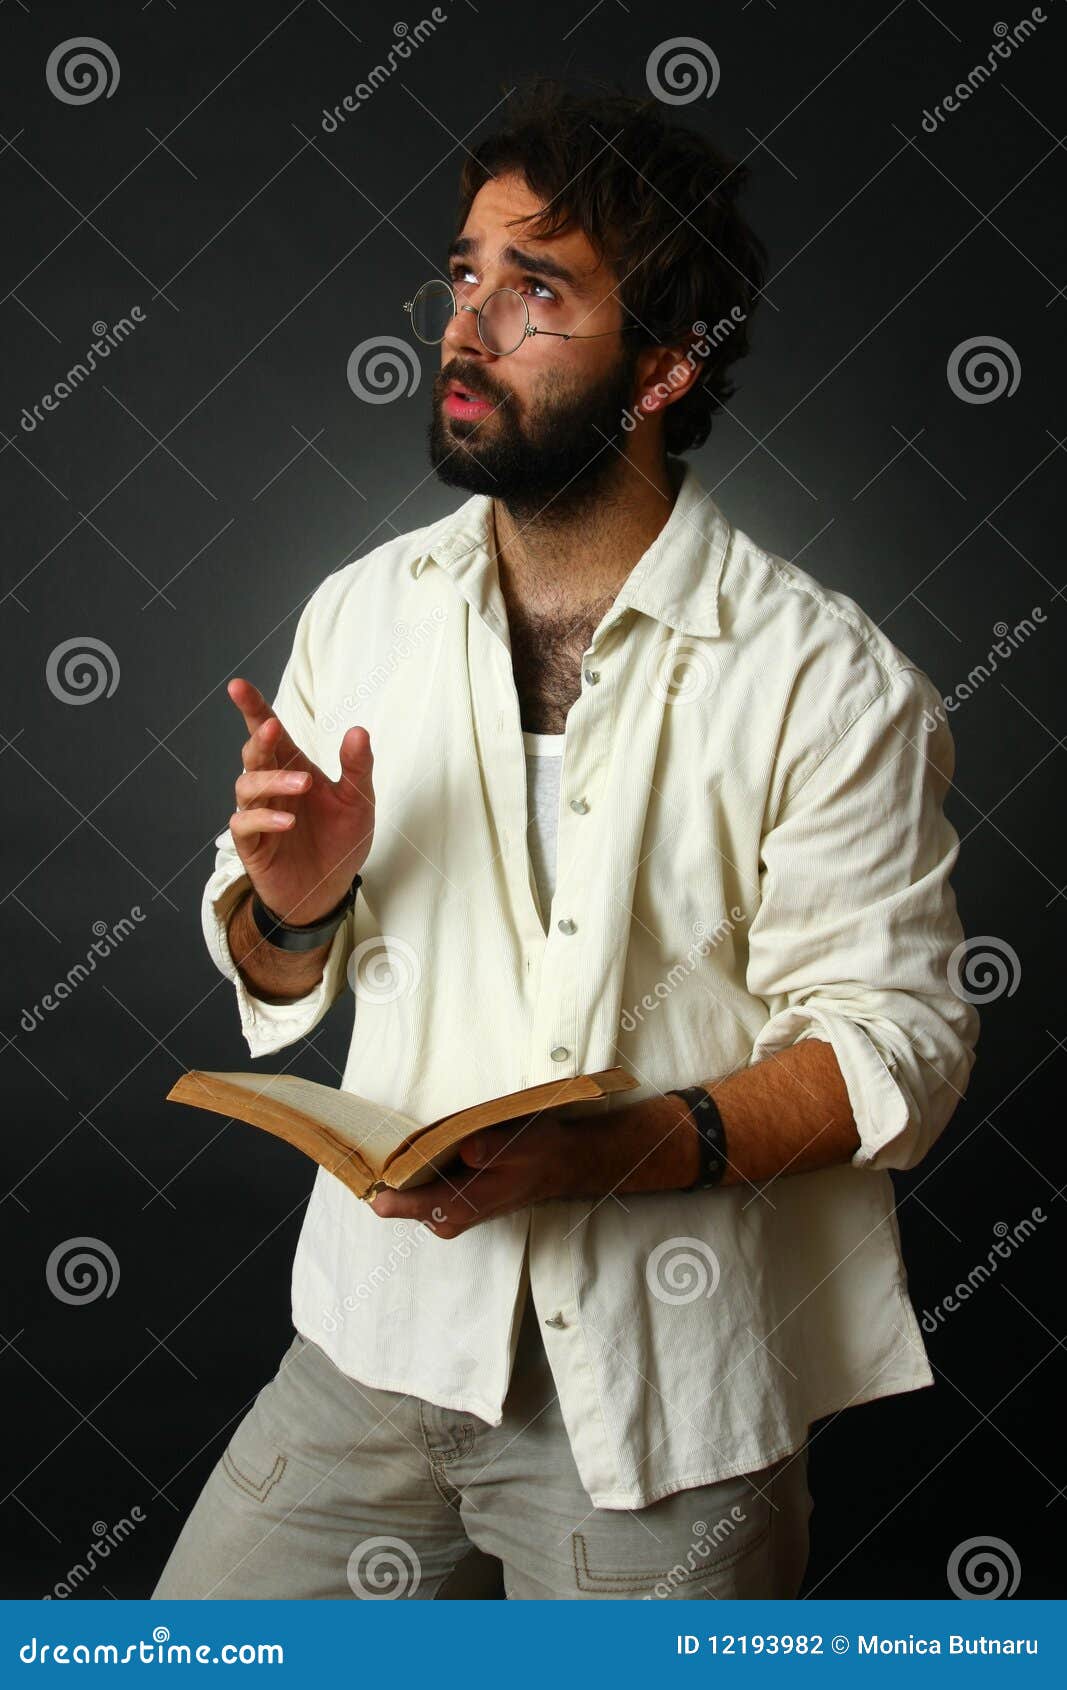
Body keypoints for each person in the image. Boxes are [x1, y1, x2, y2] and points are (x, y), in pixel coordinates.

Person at [153, 79, 979, 1601]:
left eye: (536, 290)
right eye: (464, 275)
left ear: (664, 368)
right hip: (371, 1347)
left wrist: (624, 1150)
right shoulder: (361, 612)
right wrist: (297, 906)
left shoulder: (826, 678)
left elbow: (902, 1046)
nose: (464, 327)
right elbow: (274, 967)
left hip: (662, 1405)